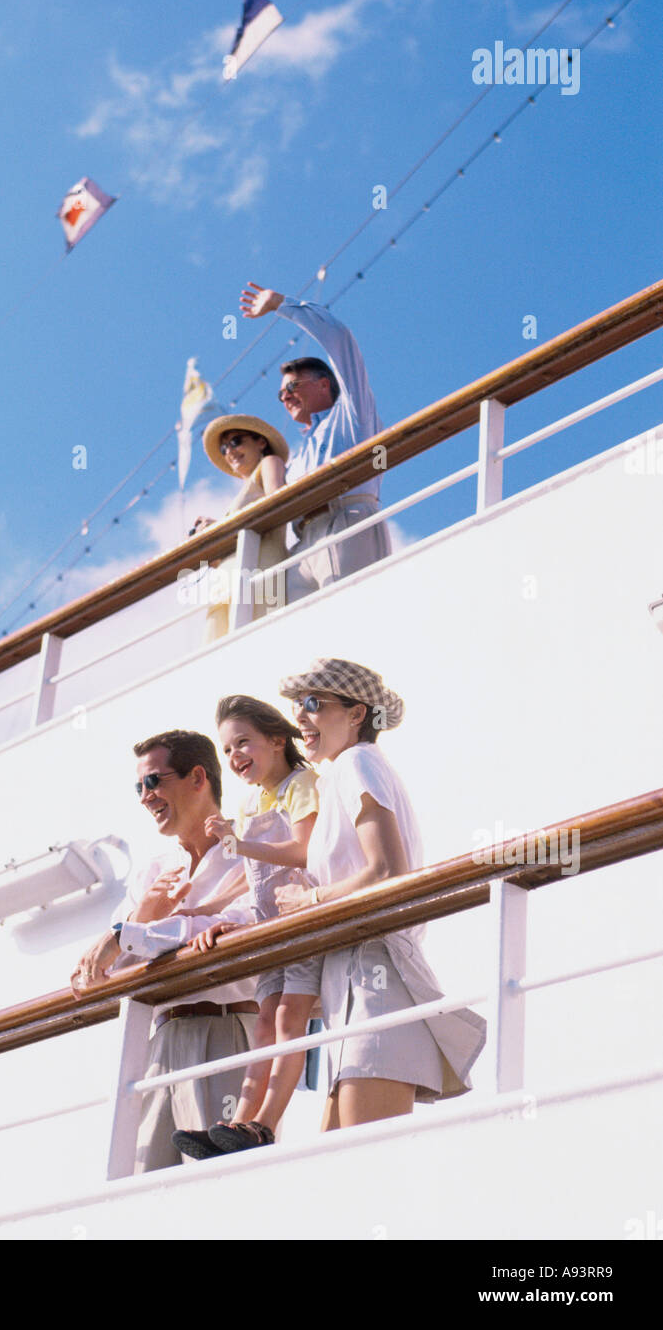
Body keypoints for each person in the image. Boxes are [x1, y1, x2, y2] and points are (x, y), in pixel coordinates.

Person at [273, 657, 486, 1132]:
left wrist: (308, 901)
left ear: (356, 714)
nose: (299, 717)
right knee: (339, 1169)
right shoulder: (341, 775)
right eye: (295, 706)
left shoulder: (358, 761)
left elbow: (387, 869)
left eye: (313, 703)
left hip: (374, 979)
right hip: (354, 983)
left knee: (359, 1172)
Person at [70, 730, 258, 1173]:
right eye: (139, 787)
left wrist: (134, 932)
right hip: (156, 1044)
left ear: (198, 777)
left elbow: (242, 924)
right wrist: (143, 916)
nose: (144, 797)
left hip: (227, 1031)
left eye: (153, 782)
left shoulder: (249, 850)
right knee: (143, 1189)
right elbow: (92, 974)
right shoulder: (153, 872)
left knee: (224, 1186)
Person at [170, 695, 320, 1158]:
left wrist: (237, 842)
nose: (235, 757)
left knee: (289, 1020)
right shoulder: (254, 800)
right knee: (263, 1027)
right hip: (266, 926)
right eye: (228, 749)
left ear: (277, 740)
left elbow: (301, 852)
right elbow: (247, 871)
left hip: (300, 918)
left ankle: (265, 1124)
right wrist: (205, 907)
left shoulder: (302, 784)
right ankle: (235, 1125)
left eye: (243, 742)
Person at [239, 282, 392, 601]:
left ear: (324, 384)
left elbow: (341, 341)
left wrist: (280, 303)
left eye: (292, 386)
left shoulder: (353, 415)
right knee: (292, 632)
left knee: (350, 621)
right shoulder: (297, 459)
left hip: (345, 521)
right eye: (281, 393)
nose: (286, 396)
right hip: (302, 540)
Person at [190, 415, 289, 641]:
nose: (229, 452)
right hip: (229, 582)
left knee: (263, 639)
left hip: (260, 570)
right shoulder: (237, 497)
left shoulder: (269, 463)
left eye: (236, 442)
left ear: (260, 442)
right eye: (224, 448)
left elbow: (280, 503)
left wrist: (222, 527)